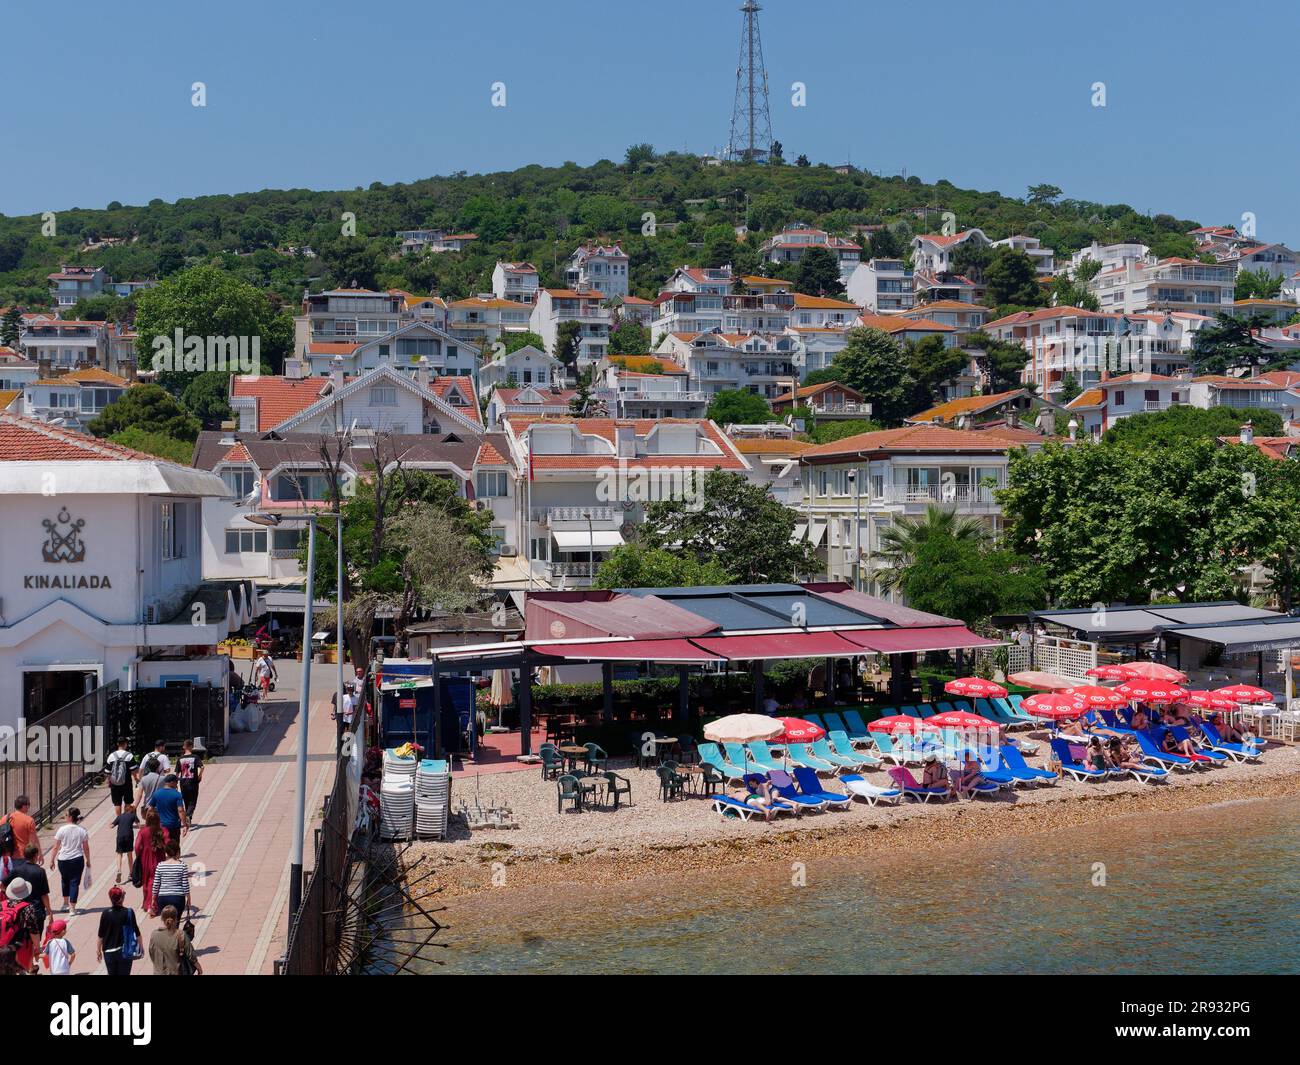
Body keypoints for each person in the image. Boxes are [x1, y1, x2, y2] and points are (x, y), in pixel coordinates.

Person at [2, 843, 51, 946]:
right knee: (35, 941)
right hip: (37, 911)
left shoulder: (16, 870)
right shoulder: (40, 871)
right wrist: (49, 911)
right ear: (35, 856)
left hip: (18, 911)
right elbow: (44, 895)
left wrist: (9, 894)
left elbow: (2, 884)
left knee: (21, 942)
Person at [48, 807, 91, 916]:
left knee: (64, 880)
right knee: (74, 883)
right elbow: (86, 848)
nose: (65, 817)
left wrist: (52, 860)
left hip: (63, 860)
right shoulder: (82, 830)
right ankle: (72, 908)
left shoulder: (62, 829)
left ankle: (65, 903)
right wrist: (88, 860)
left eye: (66, 815)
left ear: (70, 817)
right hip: (77, 859)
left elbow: (55, 847)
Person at [97, 885, 141, 976]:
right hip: (125, 951)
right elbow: (137, 932)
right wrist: (141, 946)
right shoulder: (129, 912)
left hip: (108, 952)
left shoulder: (105, 913)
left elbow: (100, 935)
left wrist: (98, 950)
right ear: (122, 898)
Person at [0, 879, 41, 974]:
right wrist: (37, 948)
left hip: (2, 946)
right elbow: (33, 931)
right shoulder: (28, 908)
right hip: (18, 946)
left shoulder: (1, 905)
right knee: (19, 969)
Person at [149, 905, 202, 976]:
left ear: (162, 918)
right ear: (176, 918)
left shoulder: (154, 934)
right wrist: (198, 967)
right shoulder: (181, 935)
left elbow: (152, 953)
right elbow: (191, 955)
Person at [134, 807, 169, 913]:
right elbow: (168, 844)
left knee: (146, 880)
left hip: (145, 858)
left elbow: (136, 846)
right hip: (159, 858)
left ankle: (146, 903)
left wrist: (139, 856)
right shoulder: (163, 830)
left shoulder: (143, 831)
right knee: (156, 881)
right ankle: (153, 904)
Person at [150, 839, 191, 919]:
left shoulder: (160, 866)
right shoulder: (182, 866)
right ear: (178, 852)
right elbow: (185, 885)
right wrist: (188, 897)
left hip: (163, 898)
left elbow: (156, 884)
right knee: (176, 922)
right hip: (178, 898)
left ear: (166, 853)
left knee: (167, 922)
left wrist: (153, 898)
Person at [148, 774, 189, 840]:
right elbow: (180, 810)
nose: (177, 783)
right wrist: (184, 825)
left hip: (160, 825)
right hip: (174, 825)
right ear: (171, 782)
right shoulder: (177, 795)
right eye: (176, 782)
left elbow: (150, 809)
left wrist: (149, 823)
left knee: (161, 845)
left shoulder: (156, 793)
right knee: (173, 846)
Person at [1, 796, 41, 864]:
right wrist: (38, 854)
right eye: (28, 805)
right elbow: (32, 842)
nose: (28, 807)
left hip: (7, 857)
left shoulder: (5, 818)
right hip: (23, 856)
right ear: (24, 806)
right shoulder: (29, 820)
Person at [105, 739, 135, 815]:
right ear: (126, 744)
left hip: (114, 783)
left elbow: (108, 772)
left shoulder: (111, 756)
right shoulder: (129, 755)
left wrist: (109, 781)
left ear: (118, 744)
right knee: (128, 802)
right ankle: (127, 820)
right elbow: (133, 770)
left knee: (117, 803)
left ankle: (119, 821)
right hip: (127, 782)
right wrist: (136, 778)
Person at [176, 740, 204, 821]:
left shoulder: (180, 759)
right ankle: (188, 816)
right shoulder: (195, 757)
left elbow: (177, 773)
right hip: (193, 782)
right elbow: (202, 767)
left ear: (184, 747)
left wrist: (176, 783)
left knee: (186, 801)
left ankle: (189, 818)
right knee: (193, 801)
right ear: (191, 747)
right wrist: (199, 776)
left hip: (183, 782)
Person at [113, 802, 137, 884]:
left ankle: (119, 870)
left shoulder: (120, 816)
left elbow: (111, 825)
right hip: (129, 837)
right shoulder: (133, 815)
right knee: (129, 855)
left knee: (119, 854)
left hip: (119, 837)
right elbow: (138, 824)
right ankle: (131, 873)